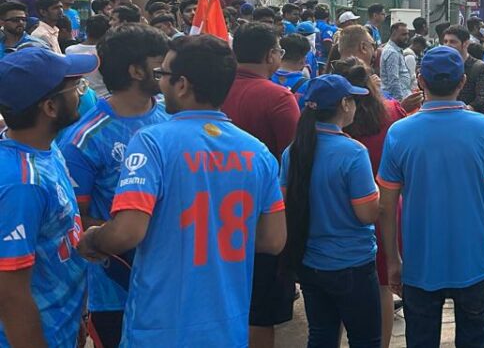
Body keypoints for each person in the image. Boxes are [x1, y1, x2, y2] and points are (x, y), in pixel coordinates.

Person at [76, 35, 287, 347]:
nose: (160, 82)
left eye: (163, 74)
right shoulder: (257, 152)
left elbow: (127, 232)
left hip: (159, 328)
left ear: (182, 85)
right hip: (228, 327)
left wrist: (94, 239)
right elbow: (273, 239)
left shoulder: (151, 142)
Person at [377, 46, 484, 347]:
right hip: (475, 259)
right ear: (462, 82)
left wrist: (393, 260)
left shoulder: (399, 132)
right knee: (473, 336)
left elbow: (386, 206)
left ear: (420, 80)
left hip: (420, 262)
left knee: (421, 339)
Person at [60, 25, 170, 346]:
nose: (167, 73)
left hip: (171, 283)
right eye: (159, 65)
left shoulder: (171, 116)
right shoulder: (85, 139)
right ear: (136, 71)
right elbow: (74, 220)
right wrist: (129, 232)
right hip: (116, 292)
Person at [0, 49, 94, 348]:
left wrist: (76, 316)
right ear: (50, 107)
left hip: (61, 325)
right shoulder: (22, 185)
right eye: (76, 87)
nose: (82, 93)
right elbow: (10, 294)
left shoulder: (46, 148)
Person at [281, 75, 381, 348]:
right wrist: (377, 193)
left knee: (321, 334)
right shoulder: (353, 152)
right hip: (352, 264)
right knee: (365, 339)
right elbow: (367, 214)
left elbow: (285, 204)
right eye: (354, 100)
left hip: (310, 262)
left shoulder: (293, 151)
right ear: (345, 104)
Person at [329, 57, 420, 347]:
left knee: (334, 292)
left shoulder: (331, 123)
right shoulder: (392, 112)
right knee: (383, 286)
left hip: (337, 211)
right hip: (386, 210)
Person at [221, 23, 302, 345]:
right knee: (259, 313)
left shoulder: (214, 90)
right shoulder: (279, 97)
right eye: (279, 51)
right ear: (270, 55)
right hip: (263, 219)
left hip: (209, 216)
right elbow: (295, 161)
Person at [442, 24, 484, 115]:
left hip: (472, 119)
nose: (447, 45)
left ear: (465, 43)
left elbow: (483, 98)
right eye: (445, 41)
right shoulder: (442, 66)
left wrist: (464, 110)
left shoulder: (480, 67)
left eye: (452, 42)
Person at [67, 14, 111, 98]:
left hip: (82, 97)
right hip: (106, 96)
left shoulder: (70, 50)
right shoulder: (108, 51)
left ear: (86, 30)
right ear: (106, 33)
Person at [379, 21, 416, 100]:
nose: (407, 37)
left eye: (407, 34)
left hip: (404, 94)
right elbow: (393, 80)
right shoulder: (392, 52)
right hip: (397, 98)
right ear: (394, 34)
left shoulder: (396, 49)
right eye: (403, 34)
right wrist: (400, 101)